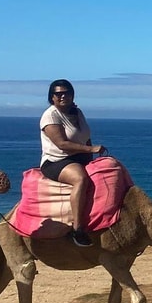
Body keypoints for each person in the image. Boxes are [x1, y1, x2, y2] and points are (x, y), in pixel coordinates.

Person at [39, 79, 104, 247]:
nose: (62, 96)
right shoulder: (50, 115)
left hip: (80, 157)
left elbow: (85, 136)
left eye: (66, 92)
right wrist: (91, 150)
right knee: (80, 179)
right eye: (58, 93)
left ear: (72, 94)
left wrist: (92, 158)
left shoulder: (77, 112)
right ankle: (78, 229)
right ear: (51, 97)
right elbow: (62, 144)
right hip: (57, 160)